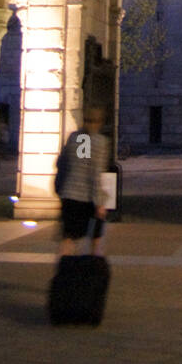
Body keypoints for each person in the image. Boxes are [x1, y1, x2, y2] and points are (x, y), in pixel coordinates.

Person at [55, 106, 110, 256]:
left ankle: (66, 271)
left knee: (68, 238)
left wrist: (60, 190)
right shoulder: (99, 141)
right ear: (100, 122)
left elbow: (61, 164)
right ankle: (92, 273)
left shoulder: (73, 138)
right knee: (96, 239)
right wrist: (99, 203)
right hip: (87, 198)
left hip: (69, 195)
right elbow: (95, 173)